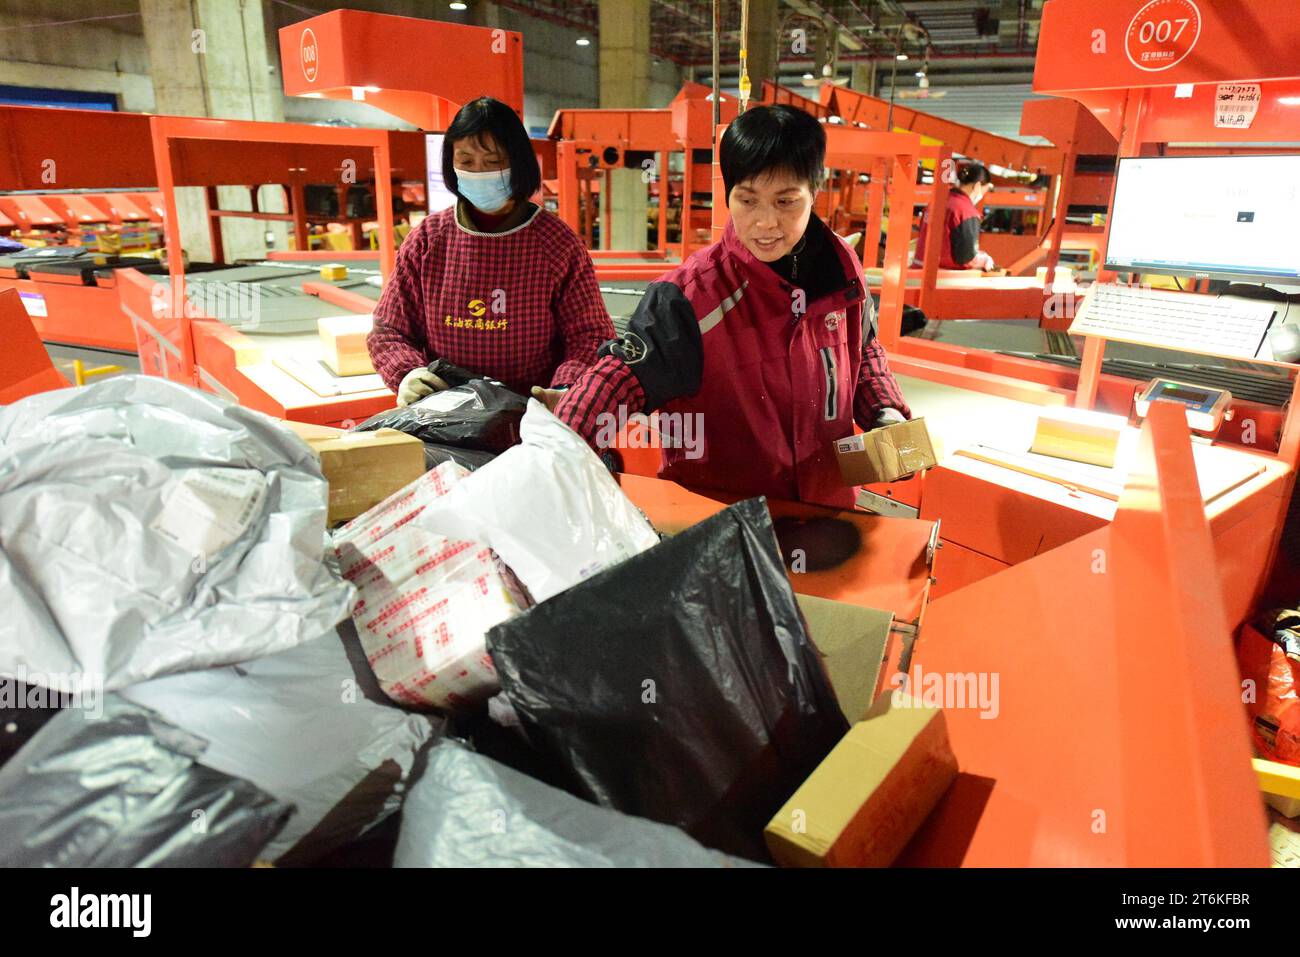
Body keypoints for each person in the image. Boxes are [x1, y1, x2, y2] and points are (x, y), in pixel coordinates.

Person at [542, 104, 912, 511]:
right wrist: (554, 454)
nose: (766, 222)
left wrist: (885, 412)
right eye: (748, 200)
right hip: (721, 523)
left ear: (814, 193)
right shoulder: (692, 296)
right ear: (729, 194)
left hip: (828, 511)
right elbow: (616, 380)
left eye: (786, 201)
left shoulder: (841, 267)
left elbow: (863, 350)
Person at [367, 96, 614, 406]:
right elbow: (389, 328)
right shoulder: (428, 241)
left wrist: (564, 391)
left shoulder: (556, 243)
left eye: (493, 161)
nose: (479, 171)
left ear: (518, 162)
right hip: (446, 413)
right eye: (466, 161)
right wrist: (406, 373)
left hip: (533, 416)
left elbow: (590, 335)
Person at [914, 161, 997, 271]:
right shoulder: (966, 211)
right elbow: (966, 257)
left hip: (918, 270)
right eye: (984, 190)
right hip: (941, 277)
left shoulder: (937, 201)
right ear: (977, 186)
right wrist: (984, 260)